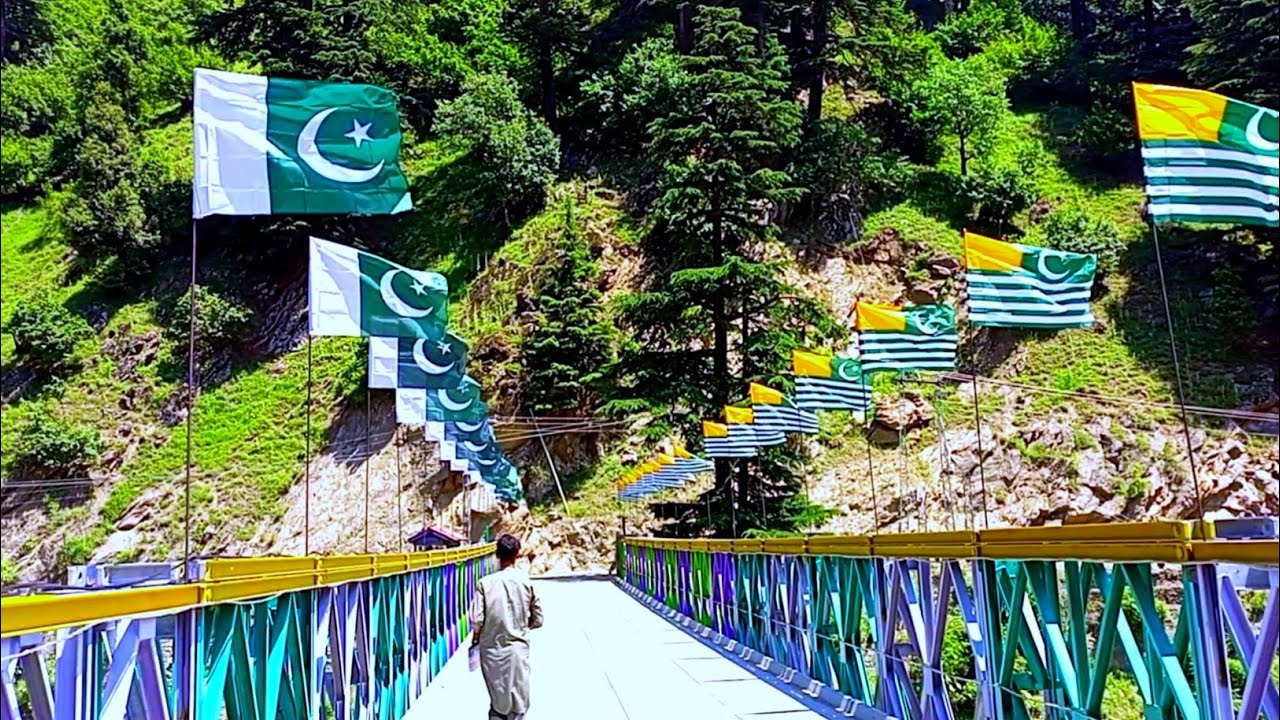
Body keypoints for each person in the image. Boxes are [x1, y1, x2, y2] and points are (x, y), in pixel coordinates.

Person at [468, 533, 543, 720]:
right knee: (518, 704)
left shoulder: (484, 584)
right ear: (517, 555)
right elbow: (539, 619)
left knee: (498, 703)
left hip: (492, 651)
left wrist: (478, 637)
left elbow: (477, 620)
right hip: (518, 650)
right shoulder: (527, 582)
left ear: (497, 555)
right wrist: (523, 626)